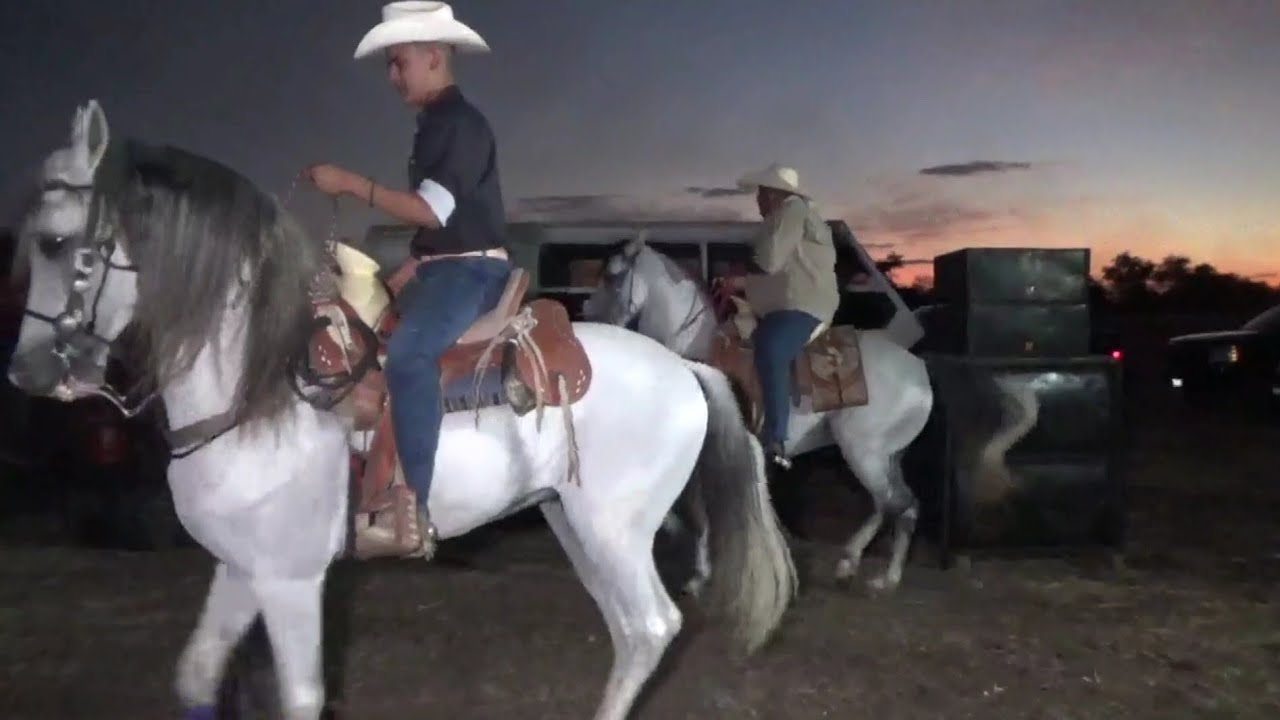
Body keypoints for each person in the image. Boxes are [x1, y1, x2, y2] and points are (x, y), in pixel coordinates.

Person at [305, 1, 510, 559]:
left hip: (473, 272)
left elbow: (431, 210)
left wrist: (350, 183)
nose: (393, 76)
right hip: (447, 266)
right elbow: (447, 220)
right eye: (391, 65)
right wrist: (419, 261)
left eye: (400, 63)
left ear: (435, 56)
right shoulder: (438, 123)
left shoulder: (458, 124)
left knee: (411, 356)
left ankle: (413, 507)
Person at [716, 163, 839, 469]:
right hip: (779, 305)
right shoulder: (783, 219)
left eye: (760, 194)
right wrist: (738, 283)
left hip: (801, 307)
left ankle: (776, 439)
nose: (757, 200)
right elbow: (777, 272)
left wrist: (740, 272)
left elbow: (769, 261)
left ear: (773, 194)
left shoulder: (792, 209)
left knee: (771, 349)